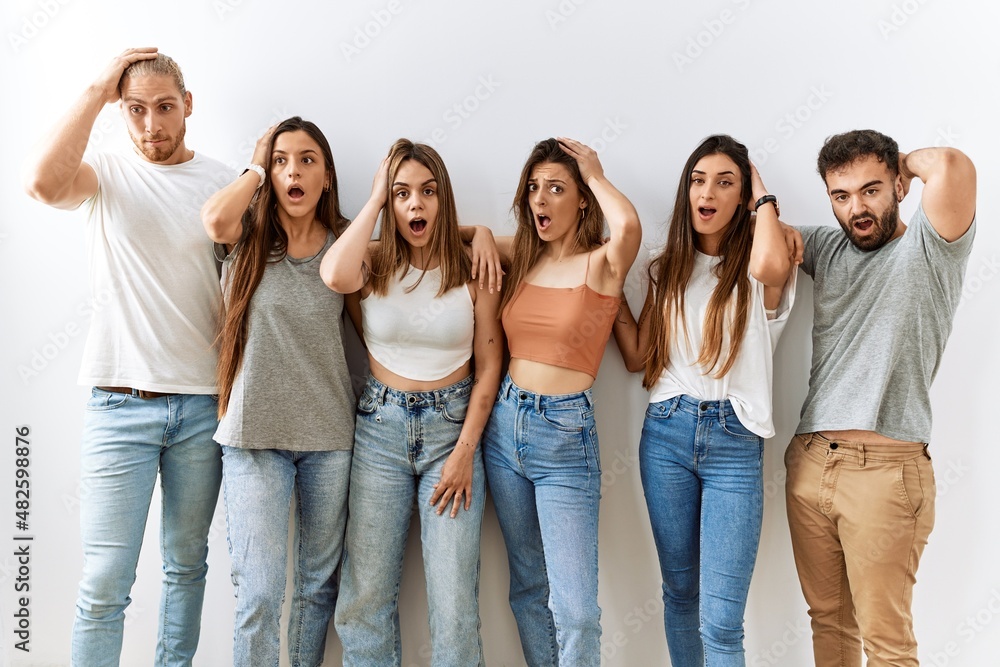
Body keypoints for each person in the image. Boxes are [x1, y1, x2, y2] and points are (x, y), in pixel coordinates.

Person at [21, 48, 230, 666]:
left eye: (164, 108)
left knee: (187, 566)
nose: (151, 126)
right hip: (119, 404)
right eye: (135, 110)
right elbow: (41, 184)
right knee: (104, 581)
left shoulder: (221, 183)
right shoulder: (105, 173)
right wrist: (95, 89)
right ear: (120, 112)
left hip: (202, 406)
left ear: (188, 106)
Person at [784, 130, 976, 667]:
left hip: (887, 475)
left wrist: (906, 163)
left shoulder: (932, 249)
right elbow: (747, 237)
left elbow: (954, 165)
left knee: (887, 644)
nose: (857, 209)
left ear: (899, 185)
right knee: (830, 627)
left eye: (871, 190)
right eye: (841, 196)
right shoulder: (826, 246)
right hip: (810, 463)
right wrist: (766, 208)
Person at [613, 135, 797, 666]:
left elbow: (769, 264)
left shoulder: (761, 266)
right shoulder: (664, 266)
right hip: (666, 434)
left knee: (721, 623)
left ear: (744, 199)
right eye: (698, 180)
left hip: (735, 444)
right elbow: (637, 357)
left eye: (725, 182)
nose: (707, 193)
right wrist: (607, 297)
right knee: (679, 596)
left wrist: (763, 195)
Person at [321, 139, 503, 666]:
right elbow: (334, 274)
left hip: (454, 431)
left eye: (427, 192)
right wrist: (375, 198)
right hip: (379, 429)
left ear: (443, 199)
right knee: (364, 599)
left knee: (454, 608)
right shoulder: (370, 265)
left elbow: (489, 364)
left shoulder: (474, 268)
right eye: (402, 194)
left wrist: (466, 450)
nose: (415, 205)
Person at [200, 117, 355, 666]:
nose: (295, 170)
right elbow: (215, 218)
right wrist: (256, 166)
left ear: (327, 178)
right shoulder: (246, 238)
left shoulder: (344, 247)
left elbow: (422, 241)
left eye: (308, 159)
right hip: (252, 437)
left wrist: (477, 235)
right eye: (283, 160)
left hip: (330, 439)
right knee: (260, 593)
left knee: (317, 590)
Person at [481, 137, 641, 666]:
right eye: (533, 188)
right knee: (527, 586)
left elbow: (631, 227)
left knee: (574, 610)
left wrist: (595, 172)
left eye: (556, 188)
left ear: (582, 201)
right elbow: (444, 239)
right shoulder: (522, 256)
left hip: (565, 435)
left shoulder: (601, 265)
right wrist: (479, 233)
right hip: (504, 425)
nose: (541, 200)